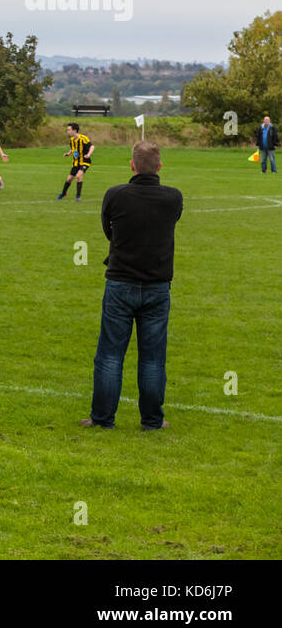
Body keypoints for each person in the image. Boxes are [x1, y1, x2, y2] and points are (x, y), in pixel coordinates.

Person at [82, 141, 183, 431]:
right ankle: (152, 420)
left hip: (120, 282)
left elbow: (108, 230)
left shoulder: (115, 195)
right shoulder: (173, 198)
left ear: (132, 165)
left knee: (110, 355)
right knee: (153, 357)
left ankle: (102, 419)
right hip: (157, 285)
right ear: (160, 167)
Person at [56, 121, 94, 201]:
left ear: (75, 130)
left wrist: (89, 154)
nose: (68, 131)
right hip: (76, 162)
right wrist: (68, 153)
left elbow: (92, 146)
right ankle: (63, 193)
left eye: (69, 130)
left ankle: (78, 196)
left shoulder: (83, 138)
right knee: (69, 179)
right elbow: (73, 148)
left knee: (78, 176)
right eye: (67, 130)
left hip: (85, 161)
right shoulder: (72, 140)